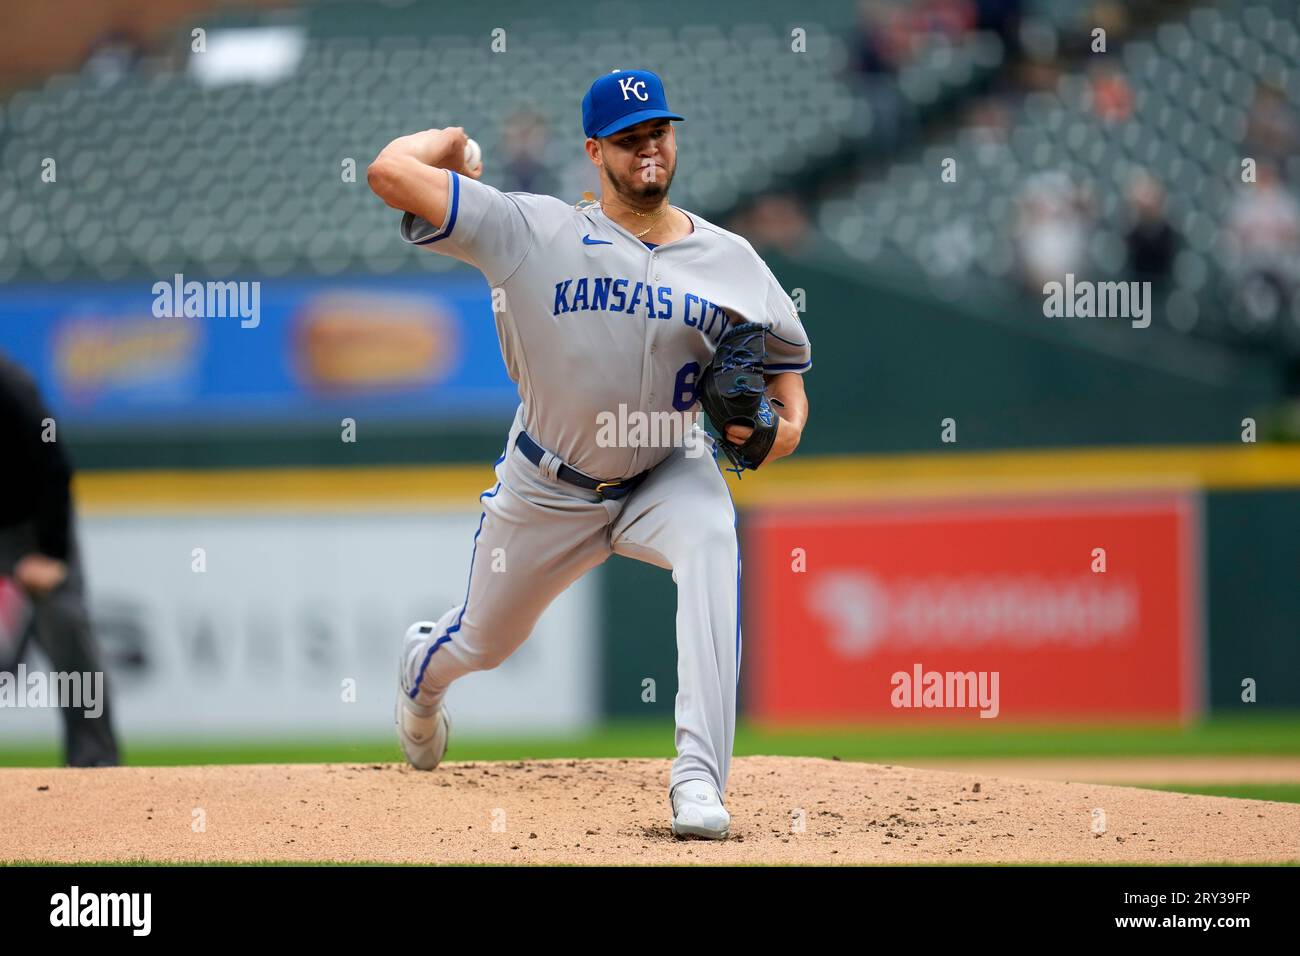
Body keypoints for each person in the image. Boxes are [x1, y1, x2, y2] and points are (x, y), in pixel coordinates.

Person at [367, 68, 812, 839]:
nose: (649, 150)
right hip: (548, 486)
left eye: (659, 134)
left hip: (667, 467)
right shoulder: (531, 230)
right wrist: (450, 143)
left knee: (712, 542)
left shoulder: (733, 260)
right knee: (483, 643)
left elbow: (787, 379)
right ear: (595, 151)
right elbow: (390, 174)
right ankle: (421, 673)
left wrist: (781, 433)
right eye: (630, 139)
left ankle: (698, 781)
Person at [0, 353, 121, 767]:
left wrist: (50, 554)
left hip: (30, 528)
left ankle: (95, 762)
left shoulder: (10, 385)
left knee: (66, 630)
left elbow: (54, 466)